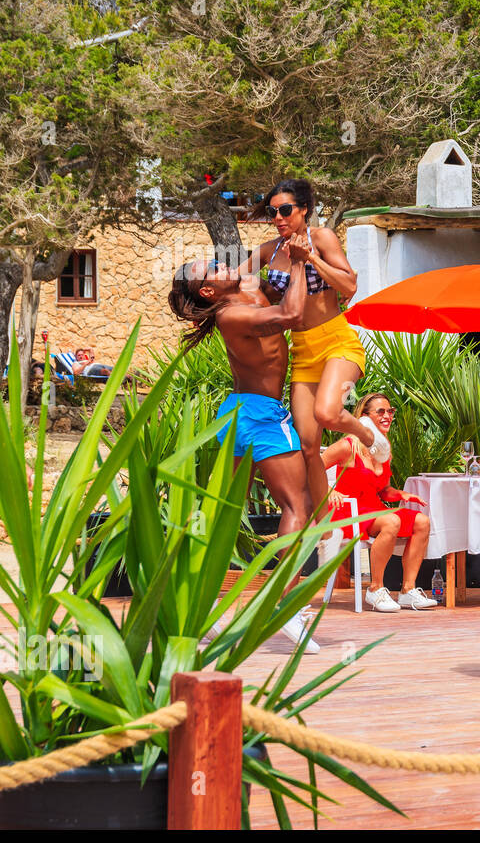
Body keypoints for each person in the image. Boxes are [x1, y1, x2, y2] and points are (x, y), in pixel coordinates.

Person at [168, 243, 319, 654]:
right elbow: (291, 315)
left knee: (222, 514)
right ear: (207, 293)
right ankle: (284, 608)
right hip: (262, 416)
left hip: (238, 412)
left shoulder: (243, 289)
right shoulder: (232, 314)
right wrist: (303, 262)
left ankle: (203, 608)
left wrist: (285, 237)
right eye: (211, 270)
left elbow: (263, 258)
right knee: (297, 508)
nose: (222, 265)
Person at [235, 178, 386, 520]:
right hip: (302, 351)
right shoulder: (268, 251)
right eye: (272, 211)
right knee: (307, 446)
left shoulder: (322, 238)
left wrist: (310, 259)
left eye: (285, 210)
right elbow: (232, 281)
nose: (278, 217)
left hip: (337, 341)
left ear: (304, 210)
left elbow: (349, 285)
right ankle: (325, 529)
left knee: (328, 413)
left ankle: (366, 432)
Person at [321, 392, 434, 613]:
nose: (387, 416)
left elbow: (383, 490)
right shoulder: (348, 446)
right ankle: (375, 588)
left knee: (422, 521)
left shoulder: (383, 449)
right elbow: (311, 467)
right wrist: (328, 490)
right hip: (348, 512)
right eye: (380, 411)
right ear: (363, 417)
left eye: (390, 411)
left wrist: (401, 494)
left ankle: (407, 591)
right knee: (391, 522)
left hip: (374, 509)